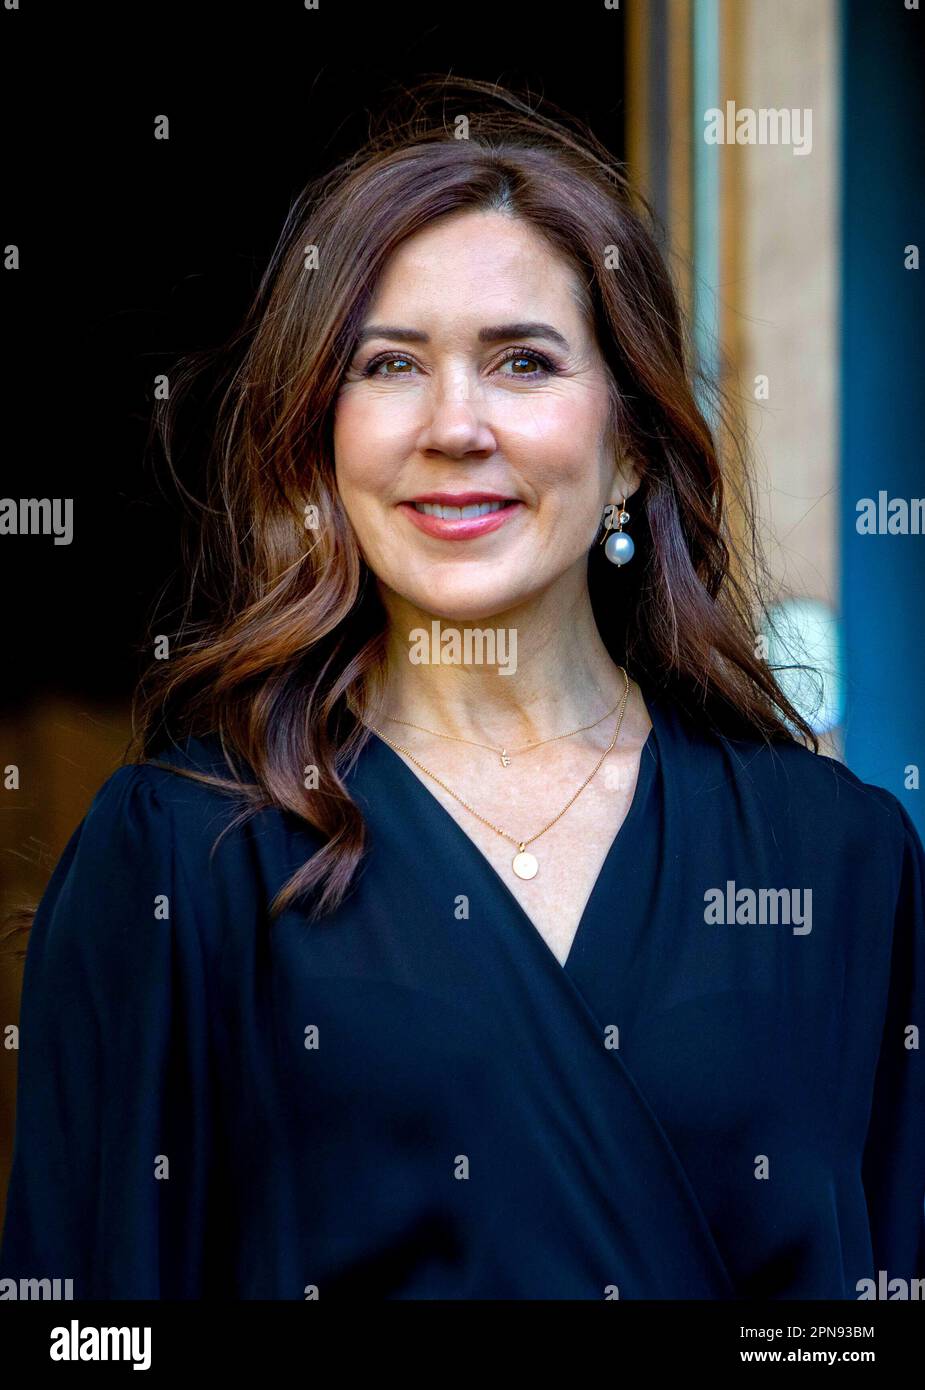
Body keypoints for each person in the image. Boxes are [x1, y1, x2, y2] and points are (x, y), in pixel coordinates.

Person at [1, 78, 923, 1300]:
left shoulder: (835, 860)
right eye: (389, 365)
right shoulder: (179, 856)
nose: (454, 424)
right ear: (322, 437)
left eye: (522, 362)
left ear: (631, 442)